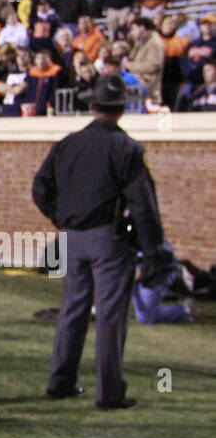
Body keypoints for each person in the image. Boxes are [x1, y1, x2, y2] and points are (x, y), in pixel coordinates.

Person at [35, 73, 175, 410]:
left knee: (72, 311)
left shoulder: (68, 144)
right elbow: (143, 204)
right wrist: (153, 249)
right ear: (122, 108)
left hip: (72, 238)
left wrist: (62, 218)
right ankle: (110, 393)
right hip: (108, 240)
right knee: (111, 317)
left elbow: (40, 188)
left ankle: (61, 381)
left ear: (92, 105)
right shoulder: (126, 147)